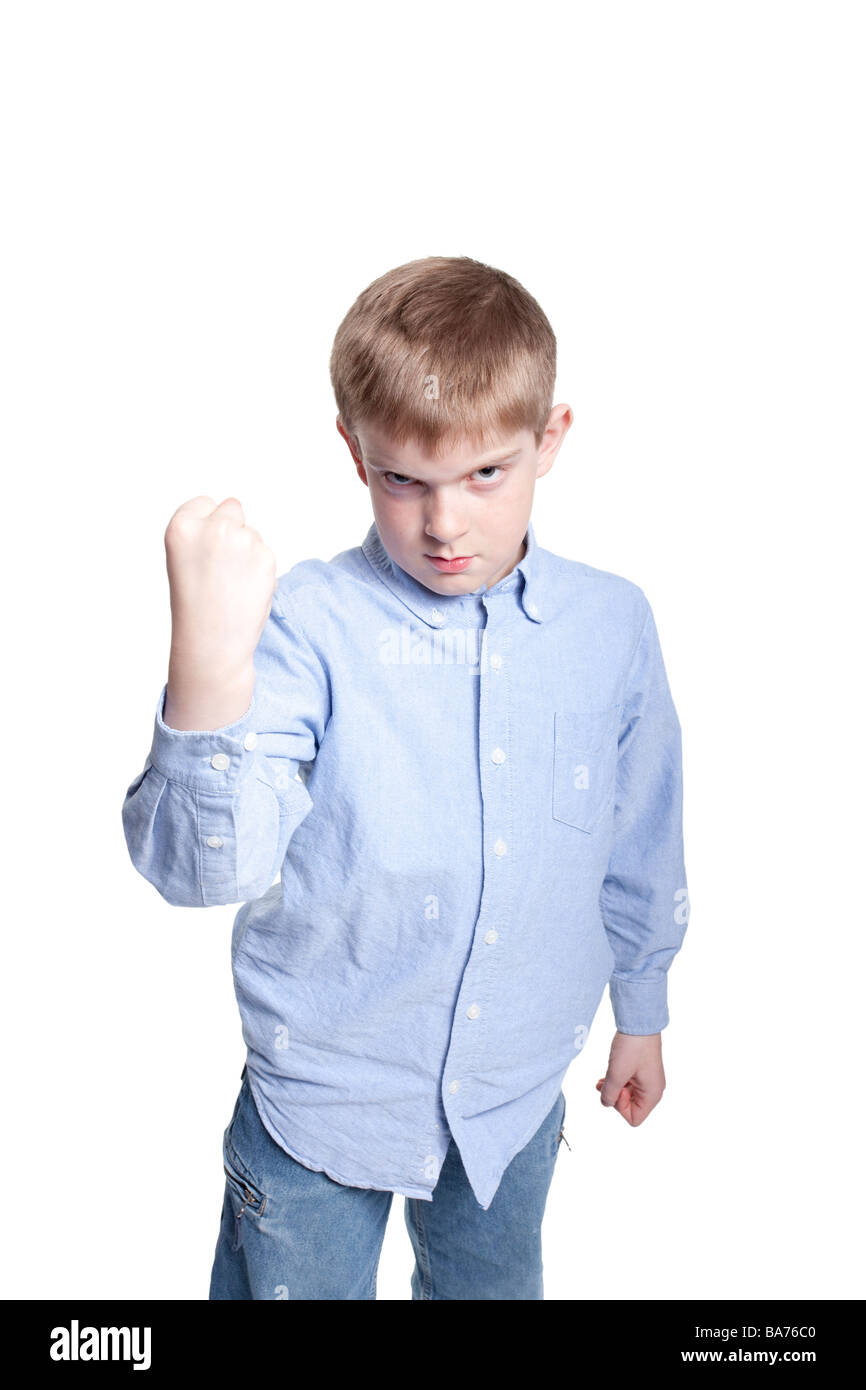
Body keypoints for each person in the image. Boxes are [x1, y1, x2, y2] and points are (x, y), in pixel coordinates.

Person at [121, 255, 690, 1300]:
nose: (443, 524)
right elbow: (206, 873)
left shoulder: (611, 624)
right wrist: (206, 672)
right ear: (354, 453)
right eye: (404, 480)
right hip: (318, 1102)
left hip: (512, 1100)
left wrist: (640, 1007)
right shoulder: (304, 623)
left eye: (485, 474)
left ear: (549, 440)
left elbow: (638, 834)